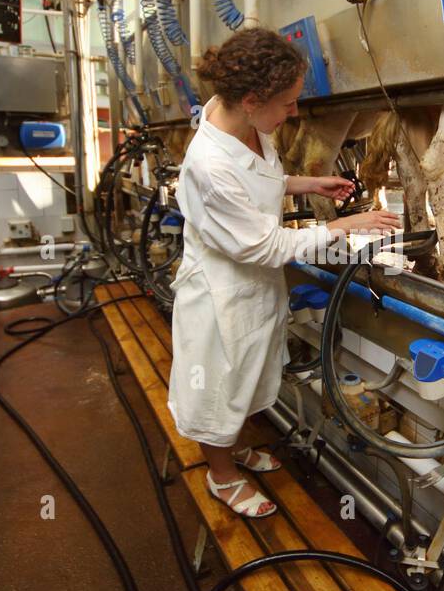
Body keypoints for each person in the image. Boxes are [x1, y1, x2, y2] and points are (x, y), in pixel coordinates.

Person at [166, 28, 401, 517]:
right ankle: (221, 474)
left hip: (253, 290)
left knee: (248, 380)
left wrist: (307, 181)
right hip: (220, 296)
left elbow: (258, 180)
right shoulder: (208, 165)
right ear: (252, 100)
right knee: (217, 392)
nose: (295, 112)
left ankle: (236, 448)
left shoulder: (238, 119)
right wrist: (346, 225)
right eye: (288, 103)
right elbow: (267, 244)